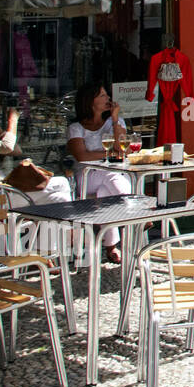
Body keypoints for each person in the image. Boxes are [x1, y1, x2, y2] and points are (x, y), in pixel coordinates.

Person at [66, 83, 135, 262]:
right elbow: (81, 156)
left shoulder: (116, 122)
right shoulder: (76, 127)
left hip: (110, 175)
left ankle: (111, 246)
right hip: (87, 176)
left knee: (104, 193)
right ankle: (135, 212)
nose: (108, 99)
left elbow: (123, 149)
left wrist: (114, 118)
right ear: (90, 101)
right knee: (110, 175)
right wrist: (110, 154)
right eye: (102, 96)